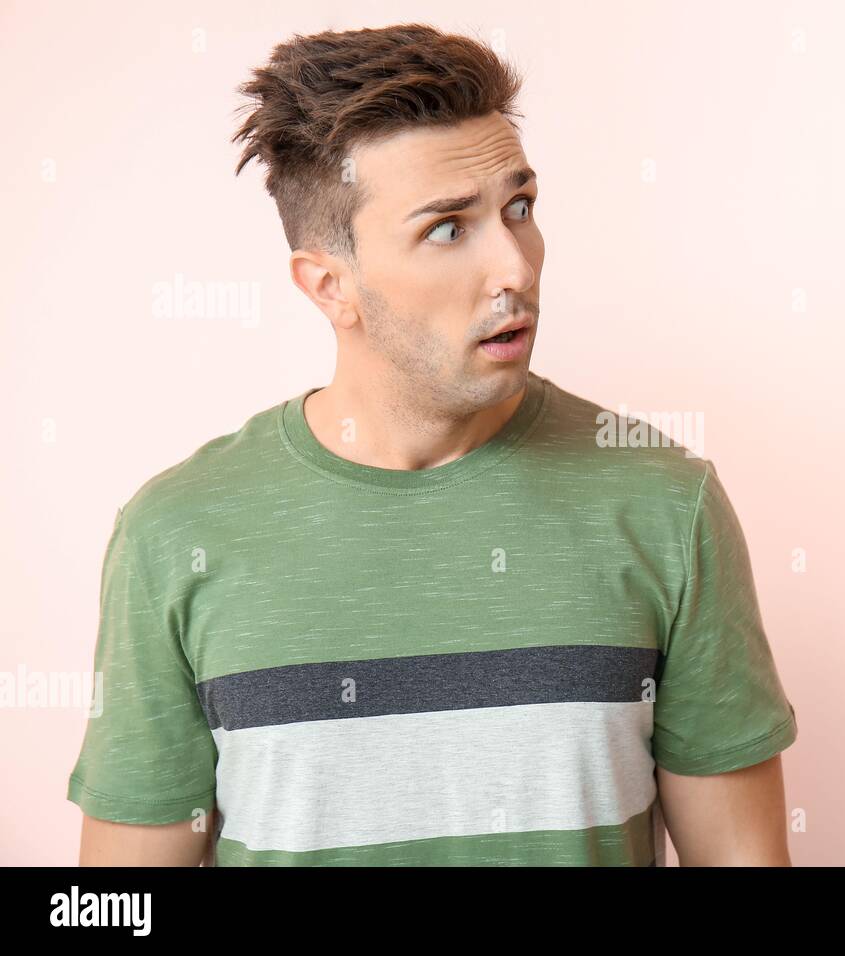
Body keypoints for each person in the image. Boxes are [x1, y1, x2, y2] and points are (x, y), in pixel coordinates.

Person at [67, 22, 797, 866]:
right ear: (329, 285)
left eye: (518, 209)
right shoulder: (176, 534)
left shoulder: (667, 505)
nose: (516, 268)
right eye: (449, 228)